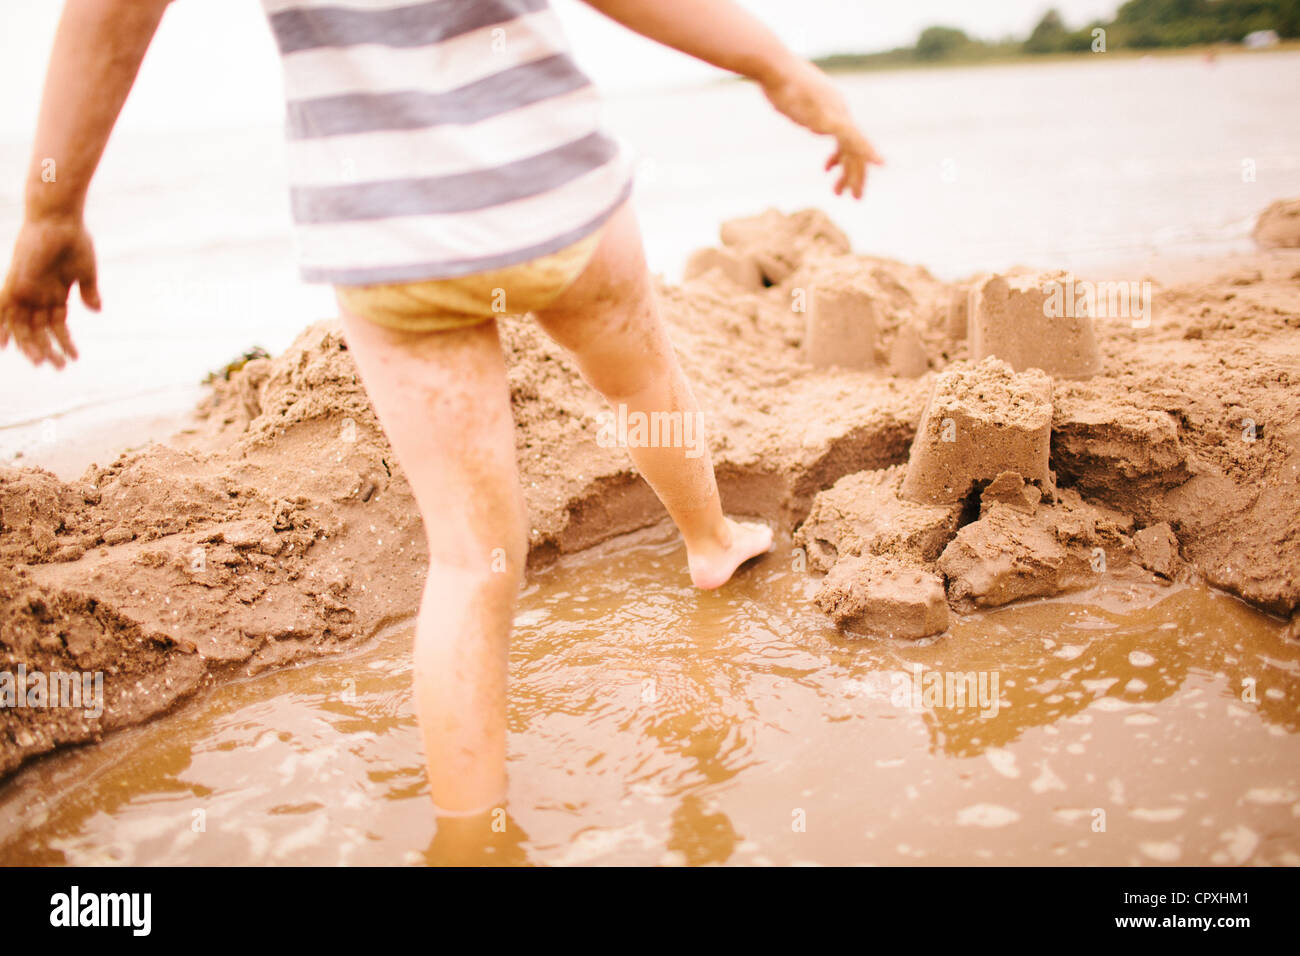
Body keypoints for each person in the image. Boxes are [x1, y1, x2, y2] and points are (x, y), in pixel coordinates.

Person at [0, 0, 882, 816]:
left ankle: (468, 833)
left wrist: (52, 206)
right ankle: (710, 541)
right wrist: (774, 65)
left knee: (468, 558)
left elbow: (114, 13)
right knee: (641, 380)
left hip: (383, 232)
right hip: (547, 186)